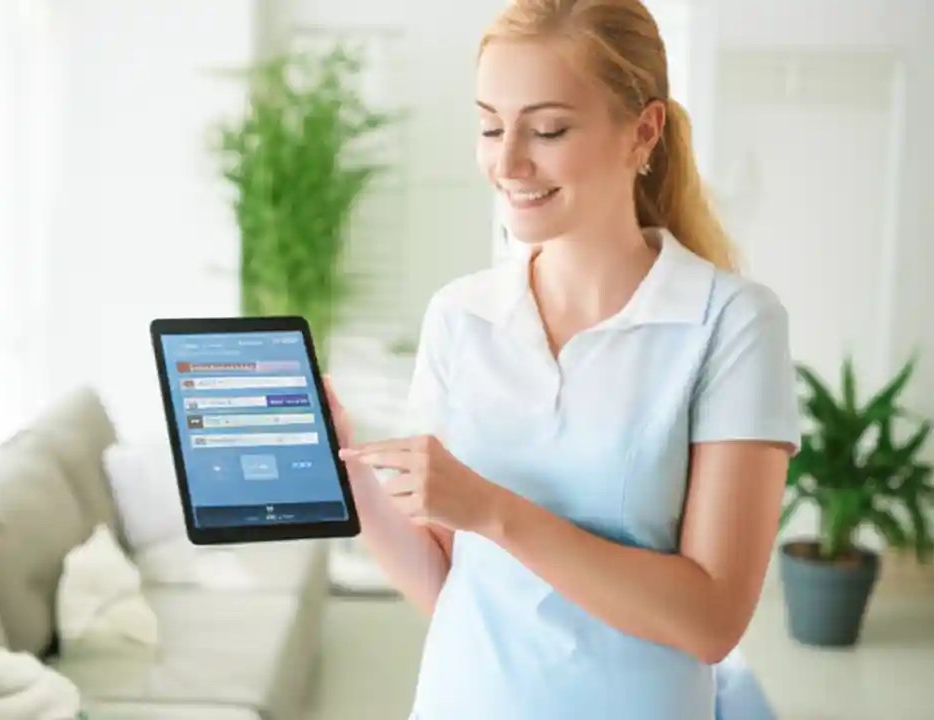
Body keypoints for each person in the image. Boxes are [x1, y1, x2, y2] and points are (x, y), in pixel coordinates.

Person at [322, 1, 799, 718]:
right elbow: (448, 587)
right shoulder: (461, 317)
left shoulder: (729, 324)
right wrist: (345, 468)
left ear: (643, 131)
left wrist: (492, 511)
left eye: (547, 129)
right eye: (489, 125)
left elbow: (711, 621)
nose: (507, 161)